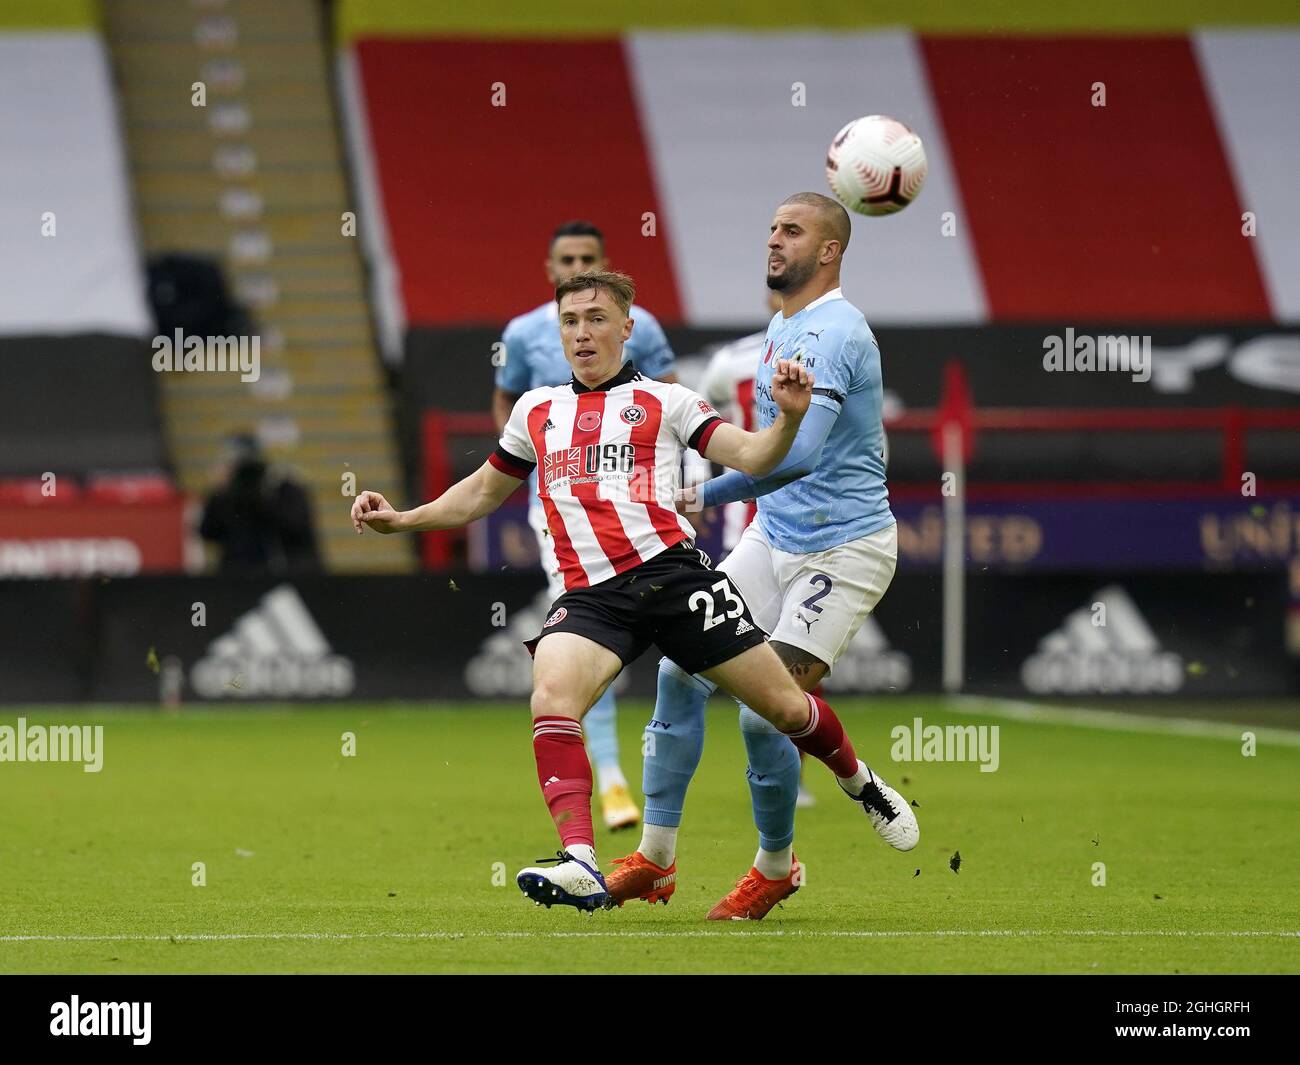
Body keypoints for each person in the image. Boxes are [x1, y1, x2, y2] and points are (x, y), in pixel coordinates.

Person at [351, 271, 915, 913]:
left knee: (783, 712)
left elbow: (756, 457)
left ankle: (859, 780)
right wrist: (403, 517)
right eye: (570, 321)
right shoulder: (536, 411)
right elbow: (480, 493)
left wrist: (787, 420)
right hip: (592, 598)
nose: (582, 333)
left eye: (596, 318)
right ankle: (580, 861)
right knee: (550, 696)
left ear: (628, 328)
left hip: (675, 580)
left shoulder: (667, 402)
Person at [606, 192, 915, 921]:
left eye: (792, 230)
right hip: (772, 536)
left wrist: (706, 491)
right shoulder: (783, 327)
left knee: (760, 710)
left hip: (844, 548)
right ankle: (655, 856)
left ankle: (776, 865)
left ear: (830, 250)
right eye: (772, 227)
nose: (774, 240)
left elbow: (800, 456)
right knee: (681, 669)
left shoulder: (839, 332)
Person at [491, 220, 677, 832]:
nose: (574, 266)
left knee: (682, 652)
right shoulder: (522, 333)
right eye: (565, 258)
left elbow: (665, 401)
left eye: (586, 257)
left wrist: (673, 482)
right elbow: (507, 405)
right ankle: (613, 778)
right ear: (549, 269)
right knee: (579, 624)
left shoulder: (640, 325)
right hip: (561, 511)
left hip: (638, 507)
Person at [199, 433, 321, 574]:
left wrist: (266, 496)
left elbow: (294, 525)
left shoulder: (280, 487)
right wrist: (217, 493)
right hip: (237, 573)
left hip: (282, 572)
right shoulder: (226, 495)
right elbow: (208, 532)